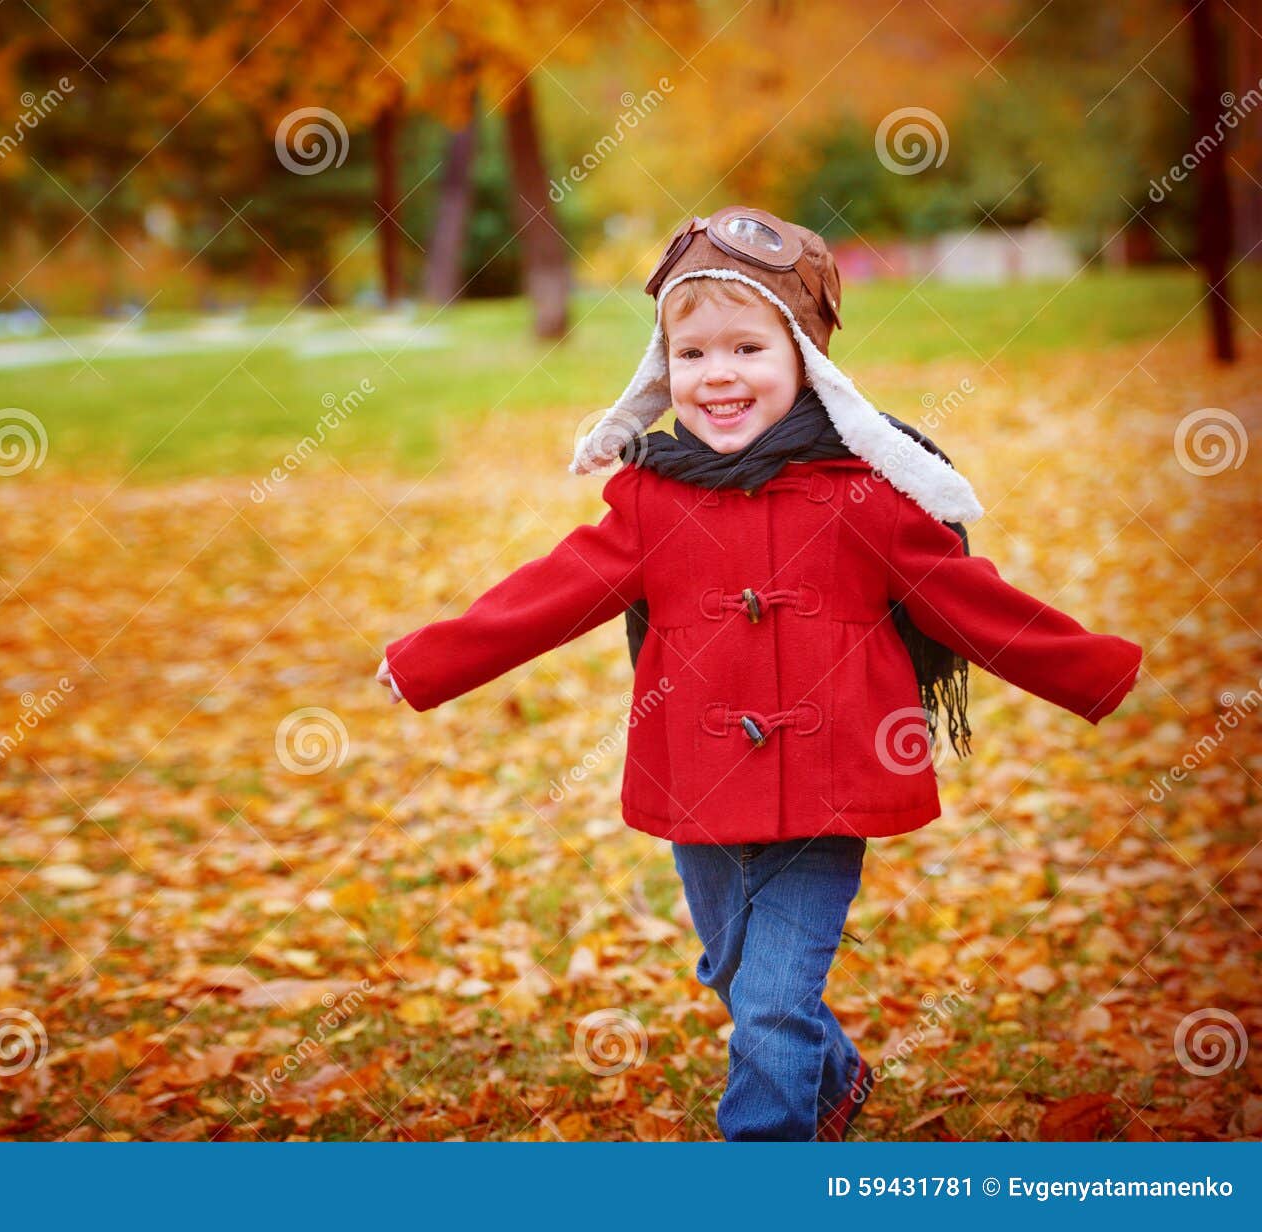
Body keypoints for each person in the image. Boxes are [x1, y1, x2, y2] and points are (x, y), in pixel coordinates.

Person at [375, 206, 1143, 1141]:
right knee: (737, 977)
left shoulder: (864, 496)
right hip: (696, 784)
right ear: (664, 372)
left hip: (835, 785)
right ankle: (838, 1078)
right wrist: (429, 662)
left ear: (805, 364)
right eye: (692, 356)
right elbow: (553, 593)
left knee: (774, 1001)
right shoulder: (651, 499)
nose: (719, 375)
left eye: (747, 348)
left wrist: (1092, 670)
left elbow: (964, 598)